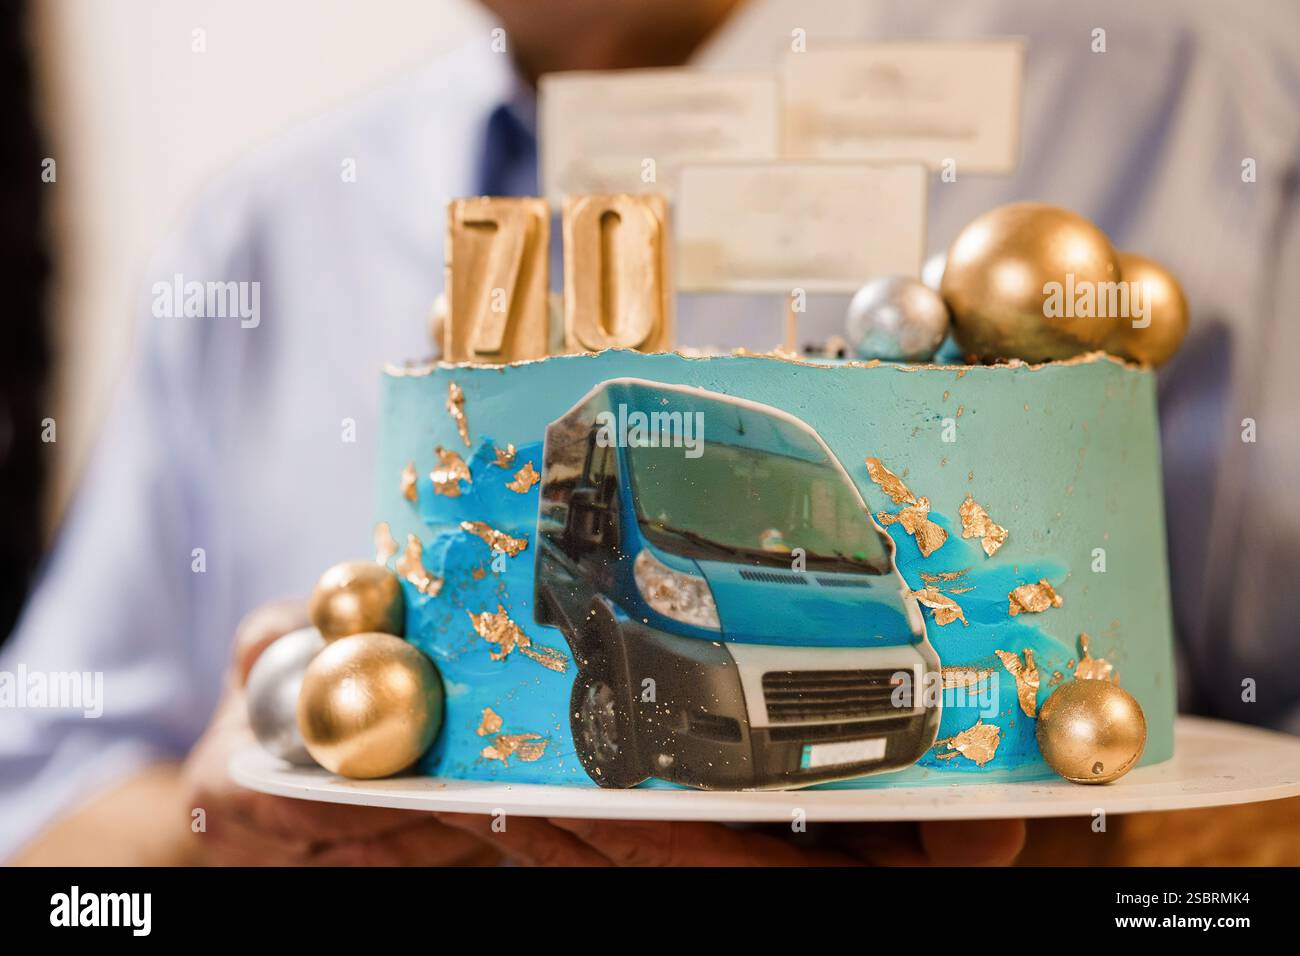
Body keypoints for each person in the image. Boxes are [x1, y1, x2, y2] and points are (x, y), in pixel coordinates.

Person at [3, 0, 1297, 865]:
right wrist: (224, 823)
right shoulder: (260, 232)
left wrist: (1118, 860)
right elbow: (41, 808)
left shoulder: (1196, 103)